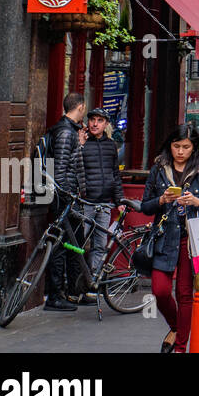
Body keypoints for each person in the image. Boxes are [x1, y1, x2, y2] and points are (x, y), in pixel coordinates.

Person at [140, 125, 199, 352]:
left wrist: (197, 203)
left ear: (193, 148)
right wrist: (161, 200)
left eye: (186, 147)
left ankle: (181, 346)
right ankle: (176, 328)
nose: (181, 151)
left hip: (190, 240)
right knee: (160, 290)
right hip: (164, 238)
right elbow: (145, 206)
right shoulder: (159, 169)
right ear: (170, 146)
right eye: (176, 146)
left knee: (185, 293)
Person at [43, 93, 86, 311]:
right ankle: (54, 295)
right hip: (64, 198)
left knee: (75, 243)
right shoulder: (65, 132)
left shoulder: (71, 131)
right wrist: (66, 196)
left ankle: (74, 291)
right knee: (60, 245)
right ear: (80, 107)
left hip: (70, 196)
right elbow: (60, 168)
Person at [76, 109, 122, 295]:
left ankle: (92, 283)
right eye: (92, 120)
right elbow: (74, 166)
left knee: (99, 245)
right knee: (77, 244)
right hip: (86, 203)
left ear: (106, 124)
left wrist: (119, 199)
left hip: (105, 204)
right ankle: (74, 283)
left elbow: (115, 175)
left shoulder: (111, 145)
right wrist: (79, 146)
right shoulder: (82, 143)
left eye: (100, 120)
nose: (95, 124)